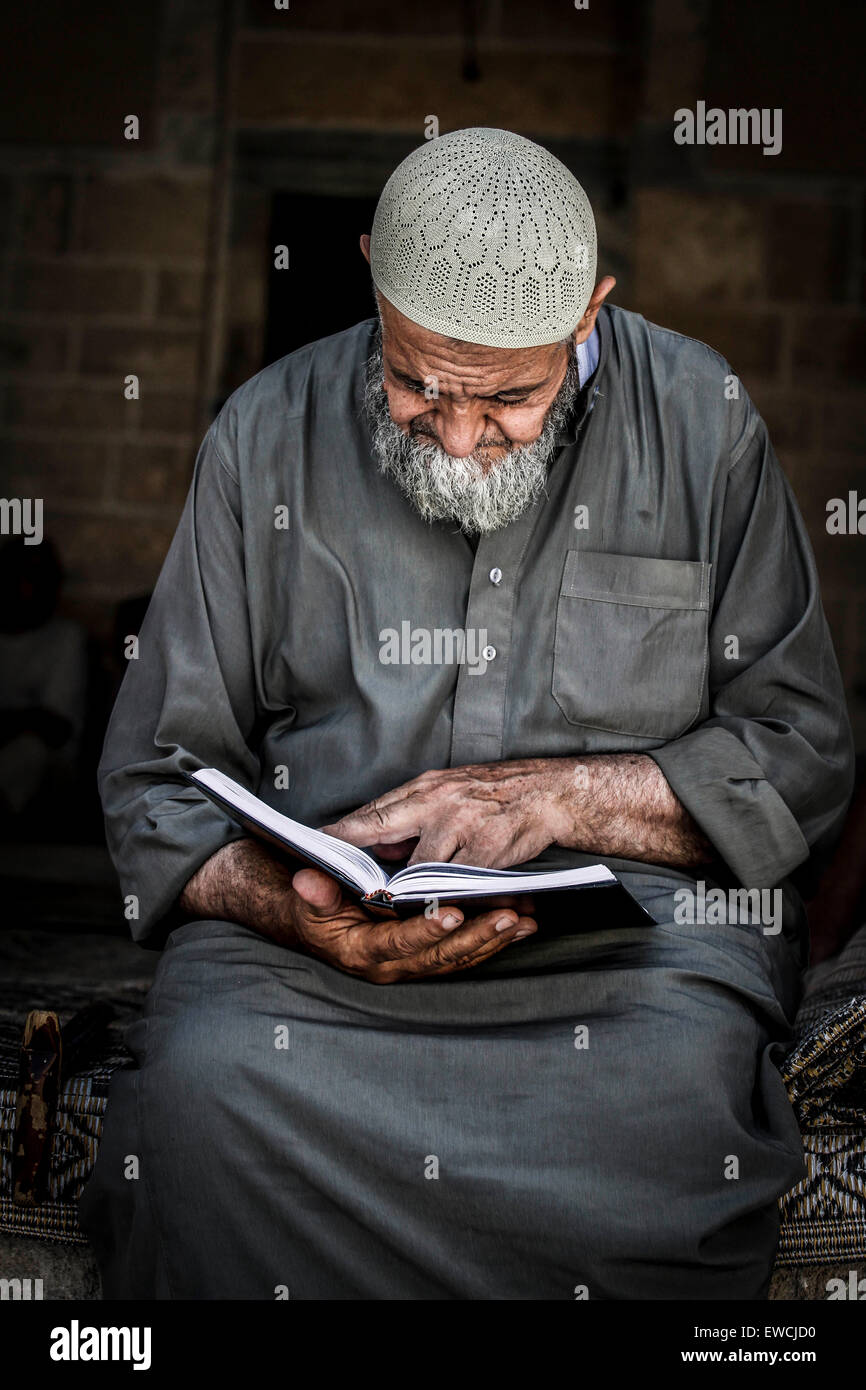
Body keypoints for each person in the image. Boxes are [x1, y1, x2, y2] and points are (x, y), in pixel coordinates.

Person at [79, 127, 854, 1300]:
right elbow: (154, 780)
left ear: (586, 315)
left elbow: (800, 752)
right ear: (368, 273)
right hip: (314, 971)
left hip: (628, 963)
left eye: (506, 399)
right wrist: (291, 912)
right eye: (414, 382)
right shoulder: (262, 433)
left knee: (671, 1114)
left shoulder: (704, 422)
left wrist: (564, 796)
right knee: (201, 1094)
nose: (452, 435)